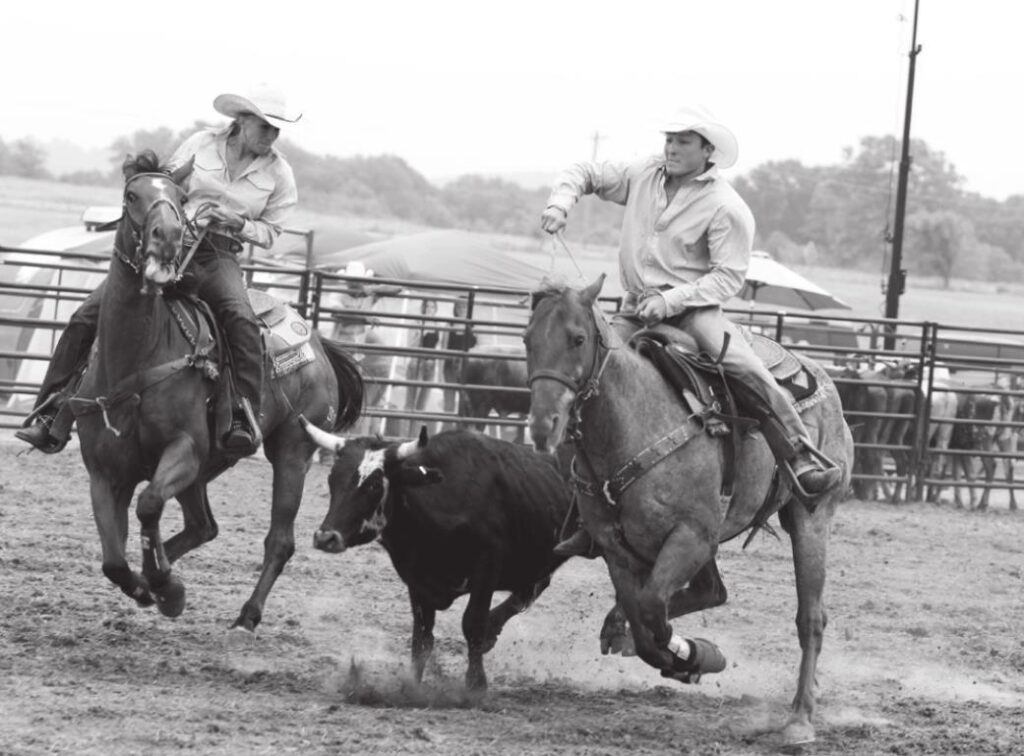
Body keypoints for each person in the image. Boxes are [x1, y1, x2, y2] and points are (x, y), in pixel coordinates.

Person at [539, 104, 841, 557]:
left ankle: (800, 456)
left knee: (744, 366)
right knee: (586, 373)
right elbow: (588, 171)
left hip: (692, 313)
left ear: (707, 150)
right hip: (635, 308)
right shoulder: (644, 174)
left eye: (683, 141)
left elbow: (727, 276)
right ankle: (587, 503)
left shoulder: (726, 206)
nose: (672, 148)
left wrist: (671, 299)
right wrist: (561, 201)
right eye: (670, 139)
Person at [16, 85, 301, 457]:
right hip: (171, 244)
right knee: (87, 315)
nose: (272, 136)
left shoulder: (280, 173)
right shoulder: (200, 143)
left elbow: (271, 232)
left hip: (218, 254)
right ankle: (51, 410)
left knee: (240, 319)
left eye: (276, 129)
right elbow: (163, 185)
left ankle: (240, 416)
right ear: (241, 121)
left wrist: (236, 222)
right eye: (265, 127)